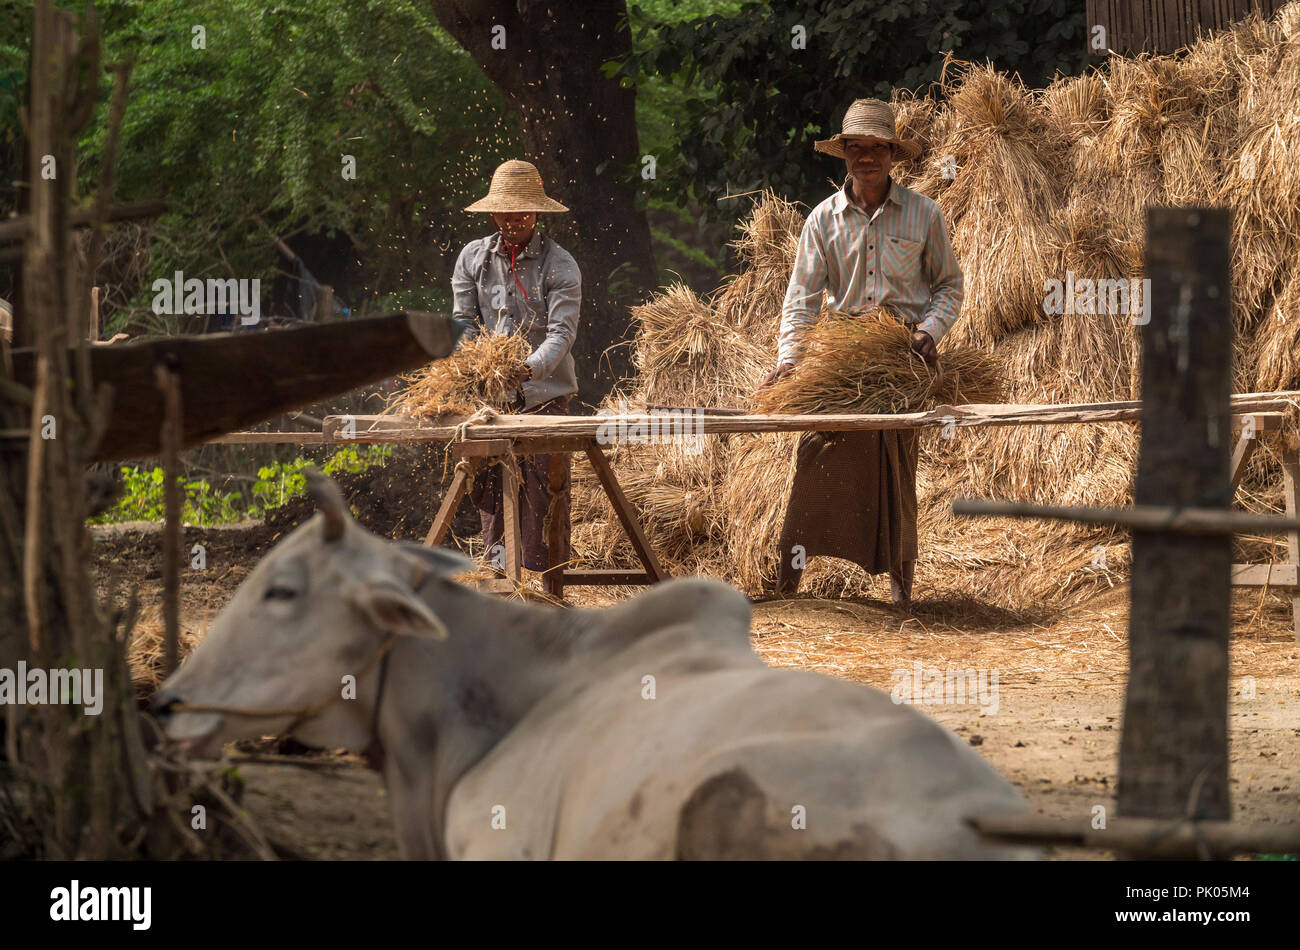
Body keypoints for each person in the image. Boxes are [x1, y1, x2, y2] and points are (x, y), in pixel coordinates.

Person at [756, 99, 964, 607]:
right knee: (815, 458)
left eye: (876, 148)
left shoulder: (924, 215)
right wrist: (790, 362)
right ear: (843, 153)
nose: (866, 157)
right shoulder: (822, 222)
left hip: (901, 361)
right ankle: (788, 589)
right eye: (856, 148)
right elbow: (802, 301)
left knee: (896, 470)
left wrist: (929, 333)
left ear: (892, 154)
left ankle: (901, 596)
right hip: (840, 363)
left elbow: (949, 288)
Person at [451, 159, 580, 579]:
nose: (512, 220)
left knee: (544, 492)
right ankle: (499, 580)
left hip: (544, 397)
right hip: (490, 403)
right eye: (505, 212)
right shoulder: (473, 258)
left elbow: (561, 333)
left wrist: (528, 369)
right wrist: (475, 363)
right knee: (488, 490)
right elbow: (463, 322)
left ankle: (545, 584)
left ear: (537, 213)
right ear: (493, 214)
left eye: (521, 211)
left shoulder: (560, 265)